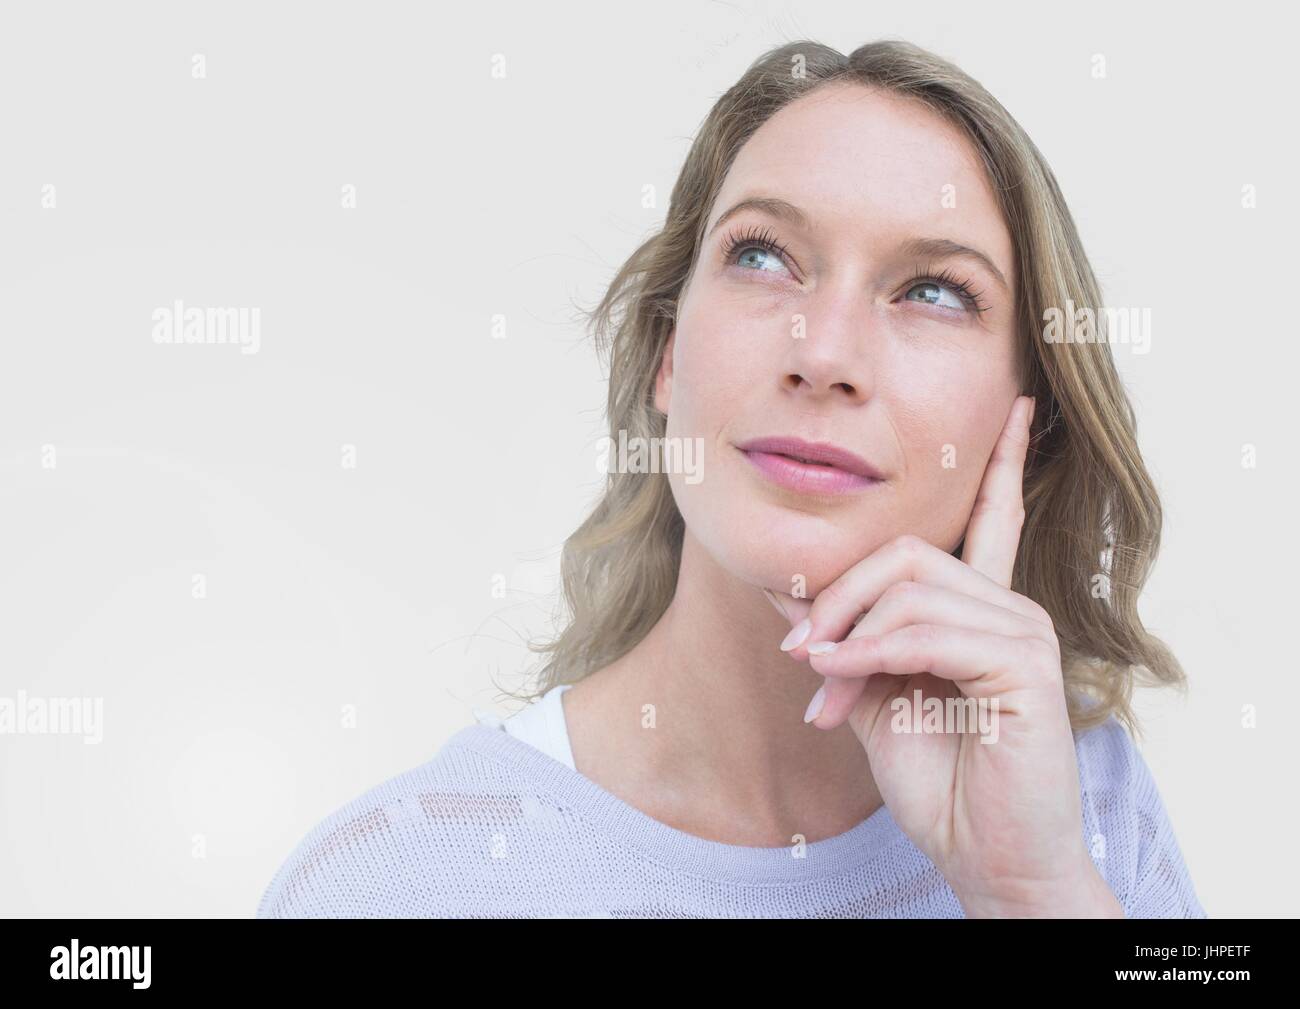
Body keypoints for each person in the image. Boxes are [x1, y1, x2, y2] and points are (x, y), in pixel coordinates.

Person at [257, 37, 1205, 918]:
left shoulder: (1090, 814)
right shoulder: (392, 884)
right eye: (762, 257)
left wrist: (1030, 890)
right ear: (668, 357)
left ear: (1022, 423)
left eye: (933, 292)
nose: (824, 352)